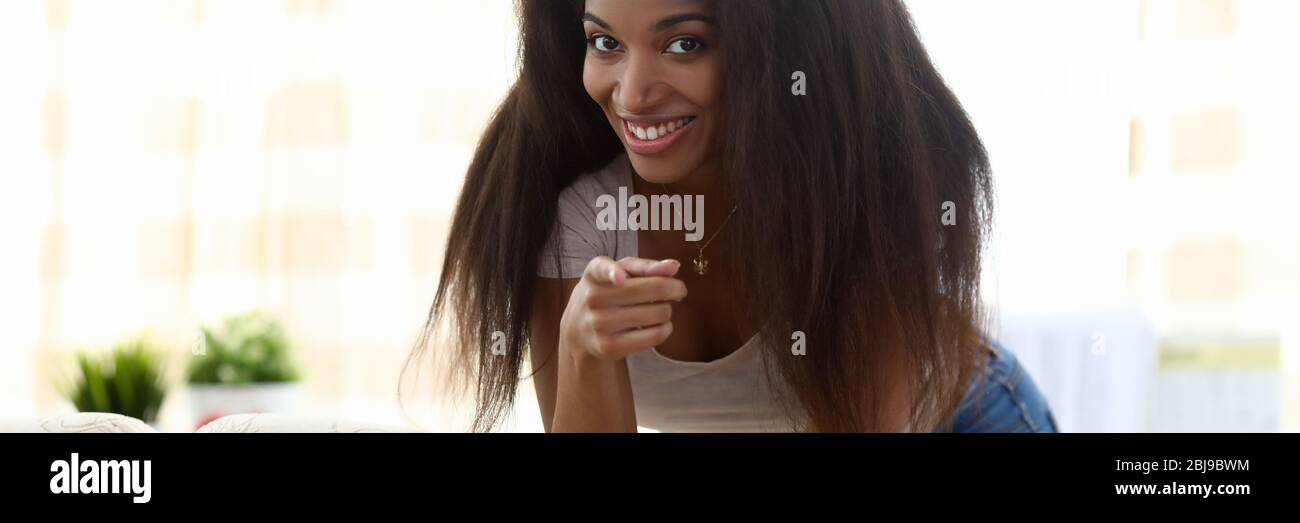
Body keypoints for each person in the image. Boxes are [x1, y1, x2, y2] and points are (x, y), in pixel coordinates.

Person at [407, 0, 1057, 433]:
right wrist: (581, 346)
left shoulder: (860, 199)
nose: (632, 93)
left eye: (685, 43)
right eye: (604, 41)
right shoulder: (570, 212)